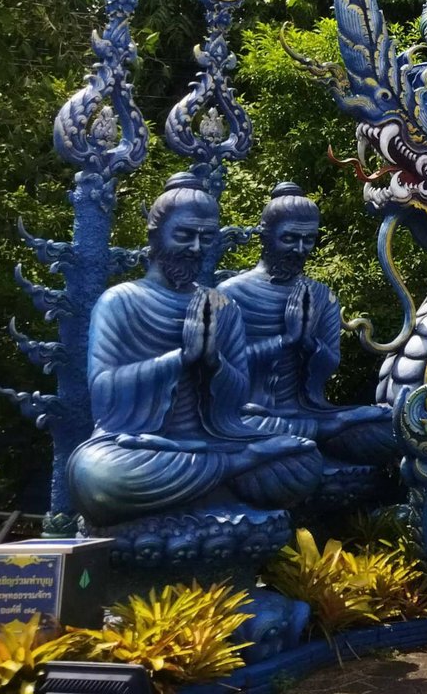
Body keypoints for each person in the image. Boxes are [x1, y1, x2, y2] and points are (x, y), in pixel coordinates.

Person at [68, 175, 321, 525]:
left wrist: (213, 363)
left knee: (302, 460)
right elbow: (103, 392)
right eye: (184, 235)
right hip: (140, 447)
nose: (196, 247)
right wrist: (180, 359)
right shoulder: (120, 301)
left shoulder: (221, 305)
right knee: (95, 475)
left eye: (207, 237)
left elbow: (238, 398)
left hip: (210, 440)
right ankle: (234, 467)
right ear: (155, 235)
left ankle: (226, 467)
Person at [224, 184, 397, 471]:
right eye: (290, 238)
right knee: (273, 441)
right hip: (251, 416)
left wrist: (308, 343)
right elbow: (223, 370)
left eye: (308, 240)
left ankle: (314, 437)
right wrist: (286, 341)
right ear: (265, 235)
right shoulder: (231, 294)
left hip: (308, 412)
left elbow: (330, 364)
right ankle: (309, 441)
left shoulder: (320, 295)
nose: (300, 249)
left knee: (390, 427)